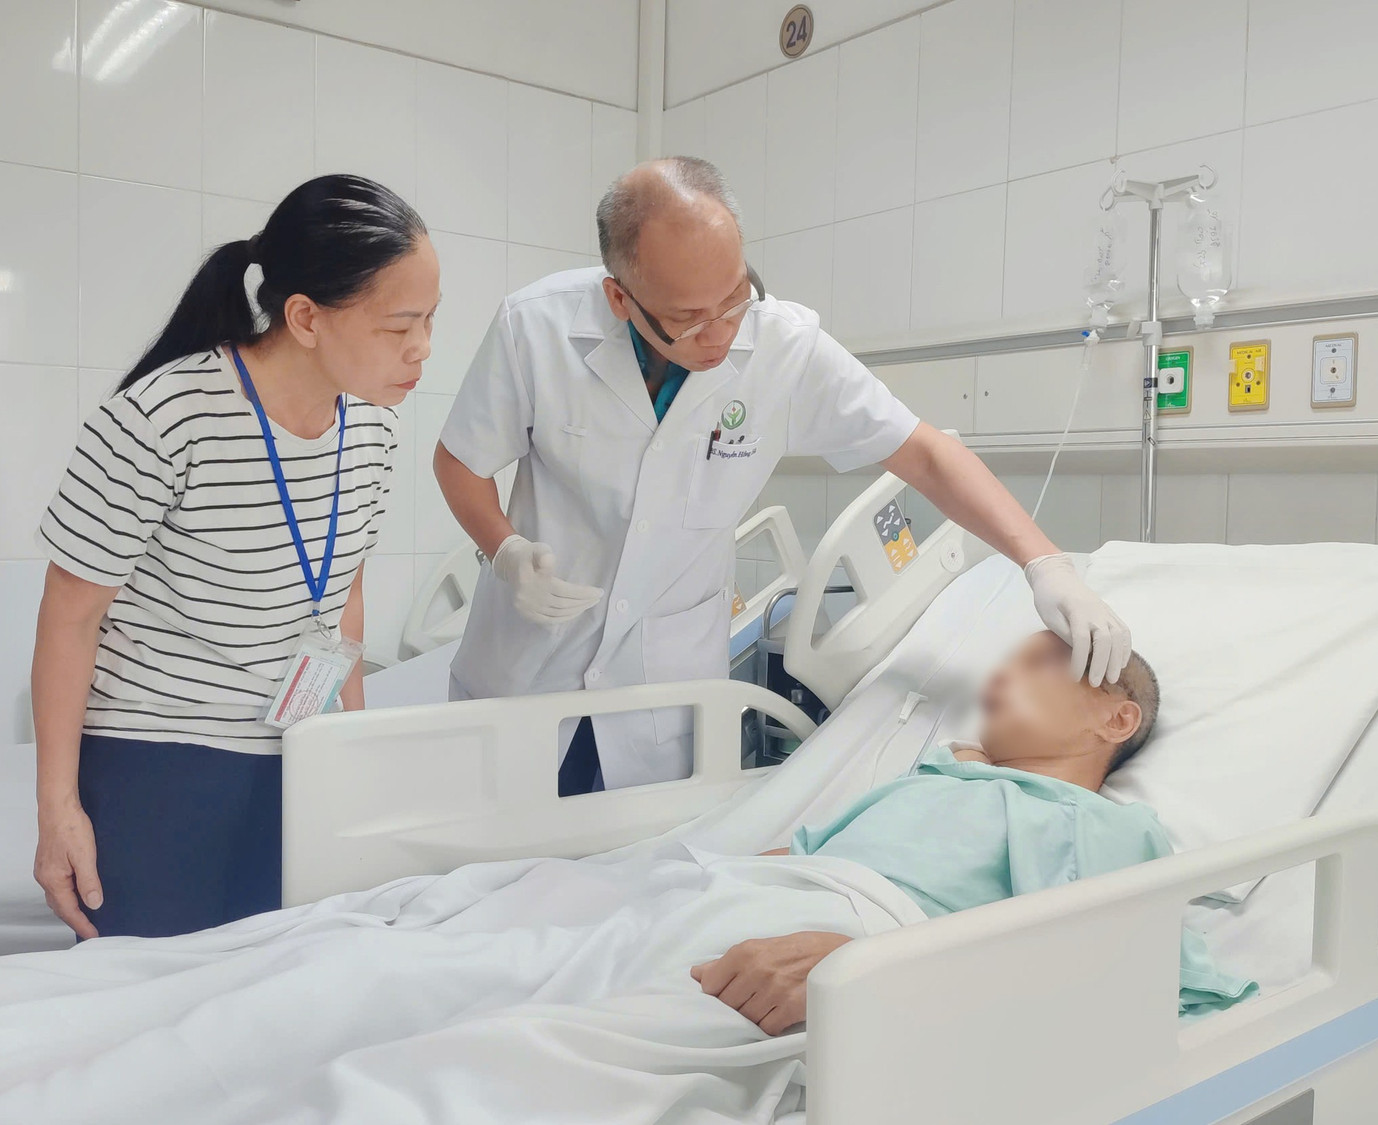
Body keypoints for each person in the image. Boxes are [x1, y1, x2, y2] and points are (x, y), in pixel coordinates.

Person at [434, 155, 1133, 797]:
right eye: (687, 318)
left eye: (735, 297)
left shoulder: (783, 345)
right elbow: (460, 460)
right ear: (621, 299)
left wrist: (1045, 563)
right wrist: (505, 549)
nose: (722, 332)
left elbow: (922, 452)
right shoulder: (536, 328)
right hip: (528, 673)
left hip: (663, 695)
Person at [31, 175, 439, 940]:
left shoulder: (374, 431)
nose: (422, 349)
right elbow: (69, 615)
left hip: (297, 760)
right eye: (398, 326)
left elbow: (342, 594)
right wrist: (58, 808)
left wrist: (349, 746)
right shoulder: (165, 417)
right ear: (306, 318)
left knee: (270, 1008)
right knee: (152, 1012)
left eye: (430, 321)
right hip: (159, 763)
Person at [691, 631, 1254, 1035]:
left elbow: (1098, 980)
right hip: (735, 904)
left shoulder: (1098, 823)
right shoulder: (923, 785)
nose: (1002, 674)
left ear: (1117, 720)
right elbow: (796, 857)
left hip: (838, 957)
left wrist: (867, 969)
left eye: (1042, 663)